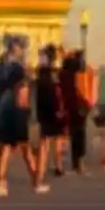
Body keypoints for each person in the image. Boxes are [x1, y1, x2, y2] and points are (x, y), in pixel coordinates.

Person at [0, 63, 46, 196]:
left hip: (3, 122)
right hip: (19, 120)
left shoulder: (4, 92)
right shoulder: (22, 88)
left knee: (5, 152)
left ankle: (1, 183)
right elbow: (24, 106)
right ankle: (36, 182)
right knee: (27, 152)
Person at [35, 45, 67, 179]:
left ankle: (40, 170)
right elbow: (59, 93)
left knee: (45, 141)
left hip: (43, 109)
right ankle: (58, 166)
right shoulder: (56, 74)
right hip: (55, 109)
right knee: (58, 138)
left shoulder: (40, 73)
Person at [61, 51, 91, 174]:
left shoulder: (63, 75)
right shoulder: (78, 74)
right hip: (78, 105)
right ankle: (80, 163)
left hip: (68, 105)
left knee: (74, 134)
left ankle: (75, 163)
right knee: (80, 133)